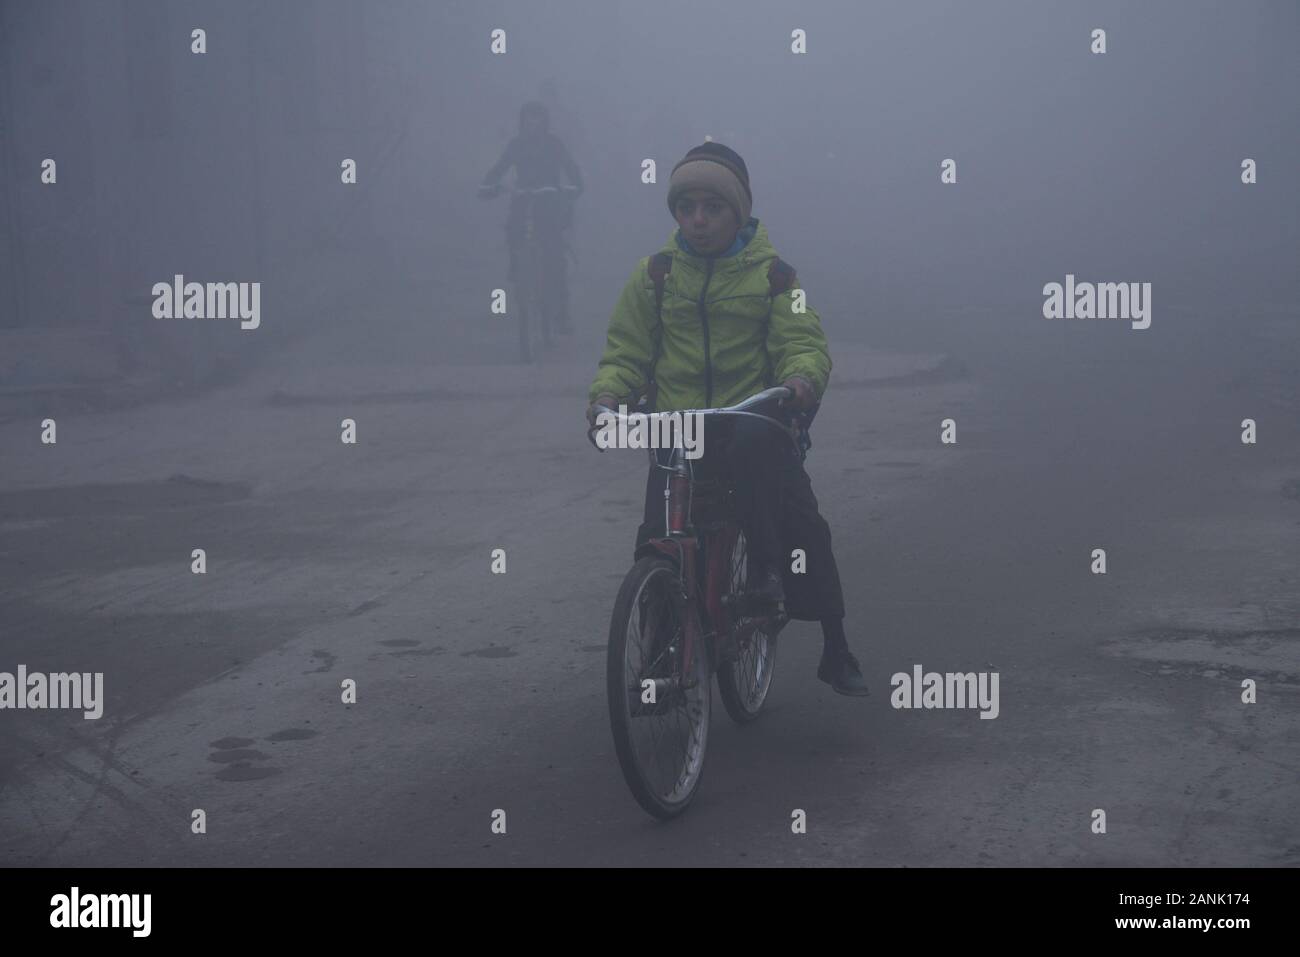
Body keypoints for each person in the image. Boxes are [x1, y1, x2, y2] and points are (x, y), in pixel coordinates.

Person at [585, 142, 869, 696]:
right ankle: (660, 657)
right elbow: (625, 353)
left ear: (737, 213)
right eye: (686, 207)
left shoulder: (776, 278)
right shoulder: (656, 276)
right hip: (678, 431)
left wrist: (800, 380)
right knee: (658, 541)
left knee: (803, 527)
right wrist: (607, 399)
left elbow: (803, 343)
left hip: (752, 422)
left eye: (712, 208)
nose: (698, 220)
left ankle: (829, 640)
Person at [478, 101, 583, 335]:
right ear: (522, 120)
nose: (533, 122)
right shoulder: (516, 145)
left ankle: (562, 312)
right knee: (513, 231)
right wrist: (487, 186)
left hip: (549, 202)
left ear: (544, 120)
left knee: (555, 255)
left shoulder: (554, 144)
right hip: (523, 200)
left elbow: (571, 168)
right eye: (528, 117)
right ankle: (518, 268)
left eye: (537, 117)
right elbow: (499, 168)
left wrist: (575, 187)